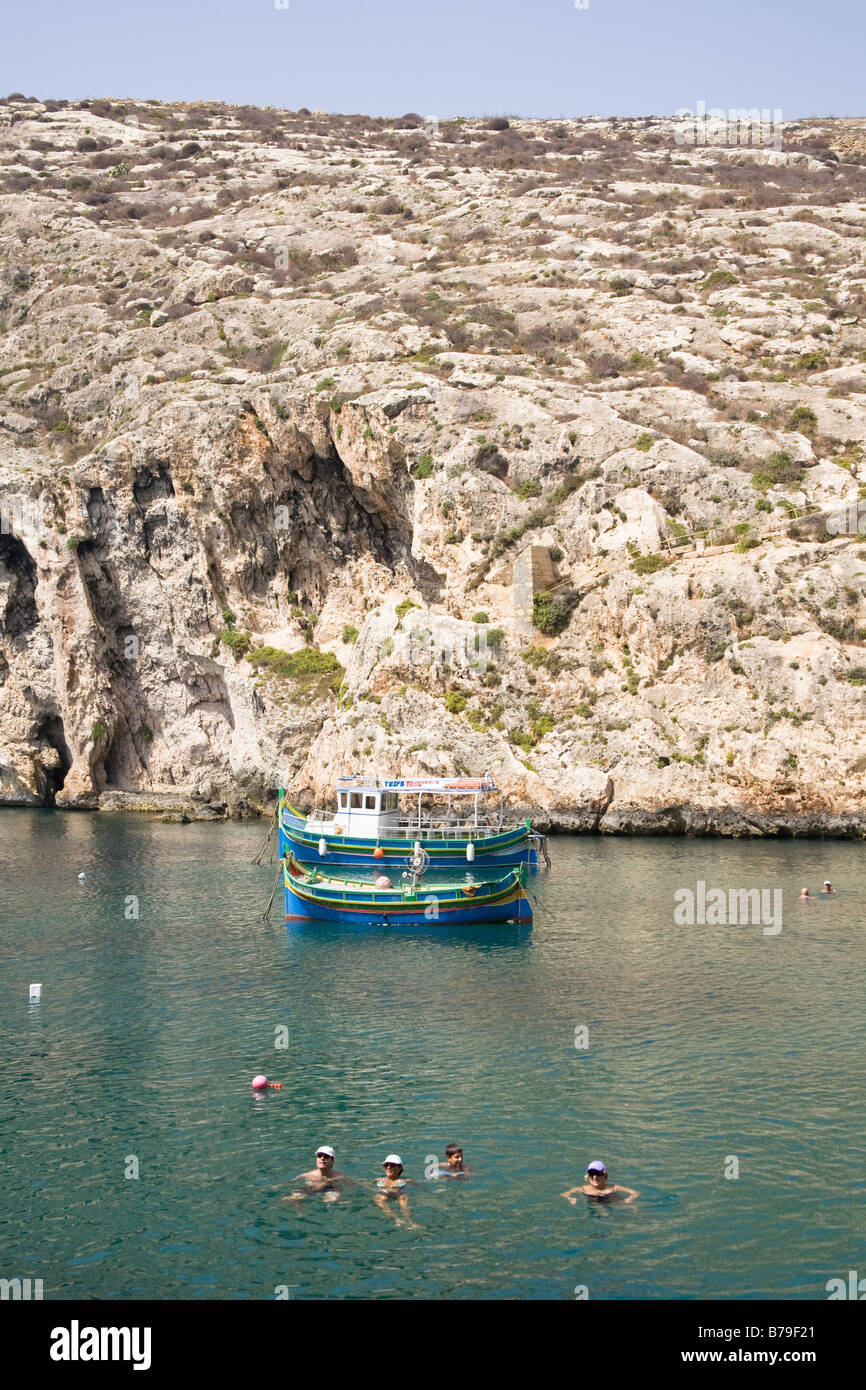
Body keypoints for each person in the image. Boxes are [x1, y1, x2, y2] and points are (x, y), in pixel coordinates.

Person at [282, 1145, 350, 1203]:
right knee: (292, 1199)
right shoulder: (308, 1175)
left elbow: (351, 1183)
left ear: (332, 1160)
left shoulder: (338, 1176)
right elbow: (289, 1183)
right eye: (319, 1155)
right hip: (312, 1189)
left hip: (331, 1188)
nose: (322, 1158)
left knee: (331, 1199)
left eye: (326, 1156)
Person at [562, 1160, 639, 1205]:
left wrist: (629, 1199)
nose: (595, 1177)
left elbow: (635, 1193)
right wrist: (571, 1198)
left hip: (615, 1204)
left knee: (633, 1209)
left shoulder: (614, 1188)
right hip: (596, 1207)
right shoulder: (583, 1189)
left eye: (598, 1174)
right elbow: (565, 1194)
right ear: (588, 1176)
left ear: (605, 1176)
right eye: (592, 1174)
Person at [375, 1154, 419, 1228]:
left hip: (399, 1194)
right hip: (385, 1194)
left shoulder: (405, 1180)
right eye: (386, 1165)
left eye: (392, 1165)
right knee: (379, 1198)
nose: (388, 1167)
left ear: (399, 1168)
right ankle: (396, 1218)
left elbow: (421, 1187)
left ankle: (411, 1222)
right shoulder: (379, 1180)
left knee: (403, 1201)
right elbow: (366, 1184)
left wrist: (433, 1192)